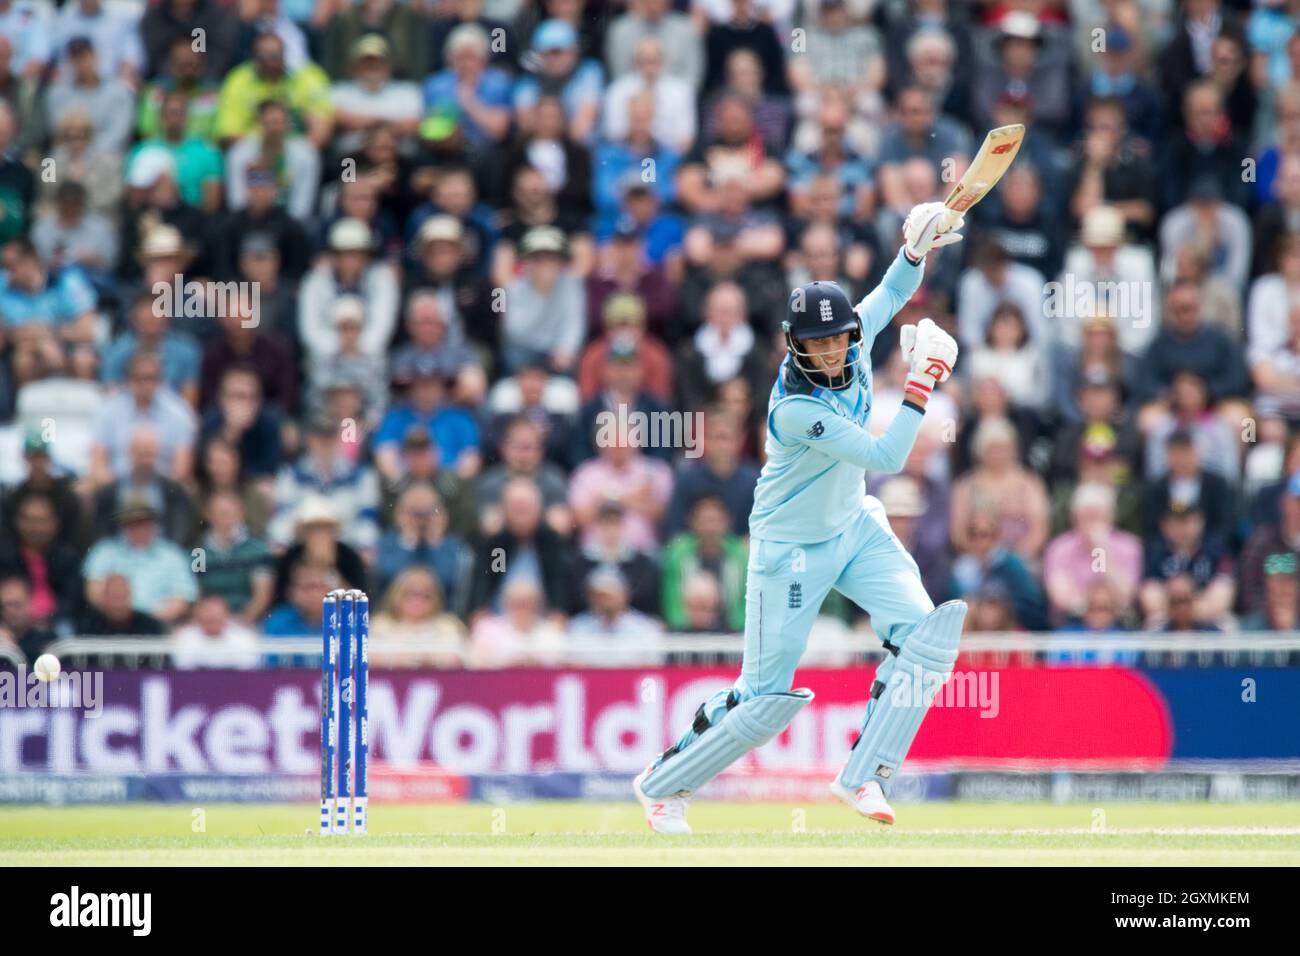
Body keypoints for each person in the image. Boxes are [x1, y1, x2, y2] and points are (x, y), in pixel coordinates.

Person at [633, 200, 967, 832]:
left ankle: (864, 775)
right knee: (763, 703)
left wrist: (917, 249)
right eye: (818, 343)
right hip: (790, 549)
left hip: (854, 525)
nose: (834, 351)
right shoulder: (792, 409)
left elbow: (894, 289)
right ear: (794, 346)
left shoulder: (858, 338)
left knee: (925, 640)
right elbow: (886, 454)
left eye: (840, 337)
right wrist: (921, 386)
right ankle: (662, 785)